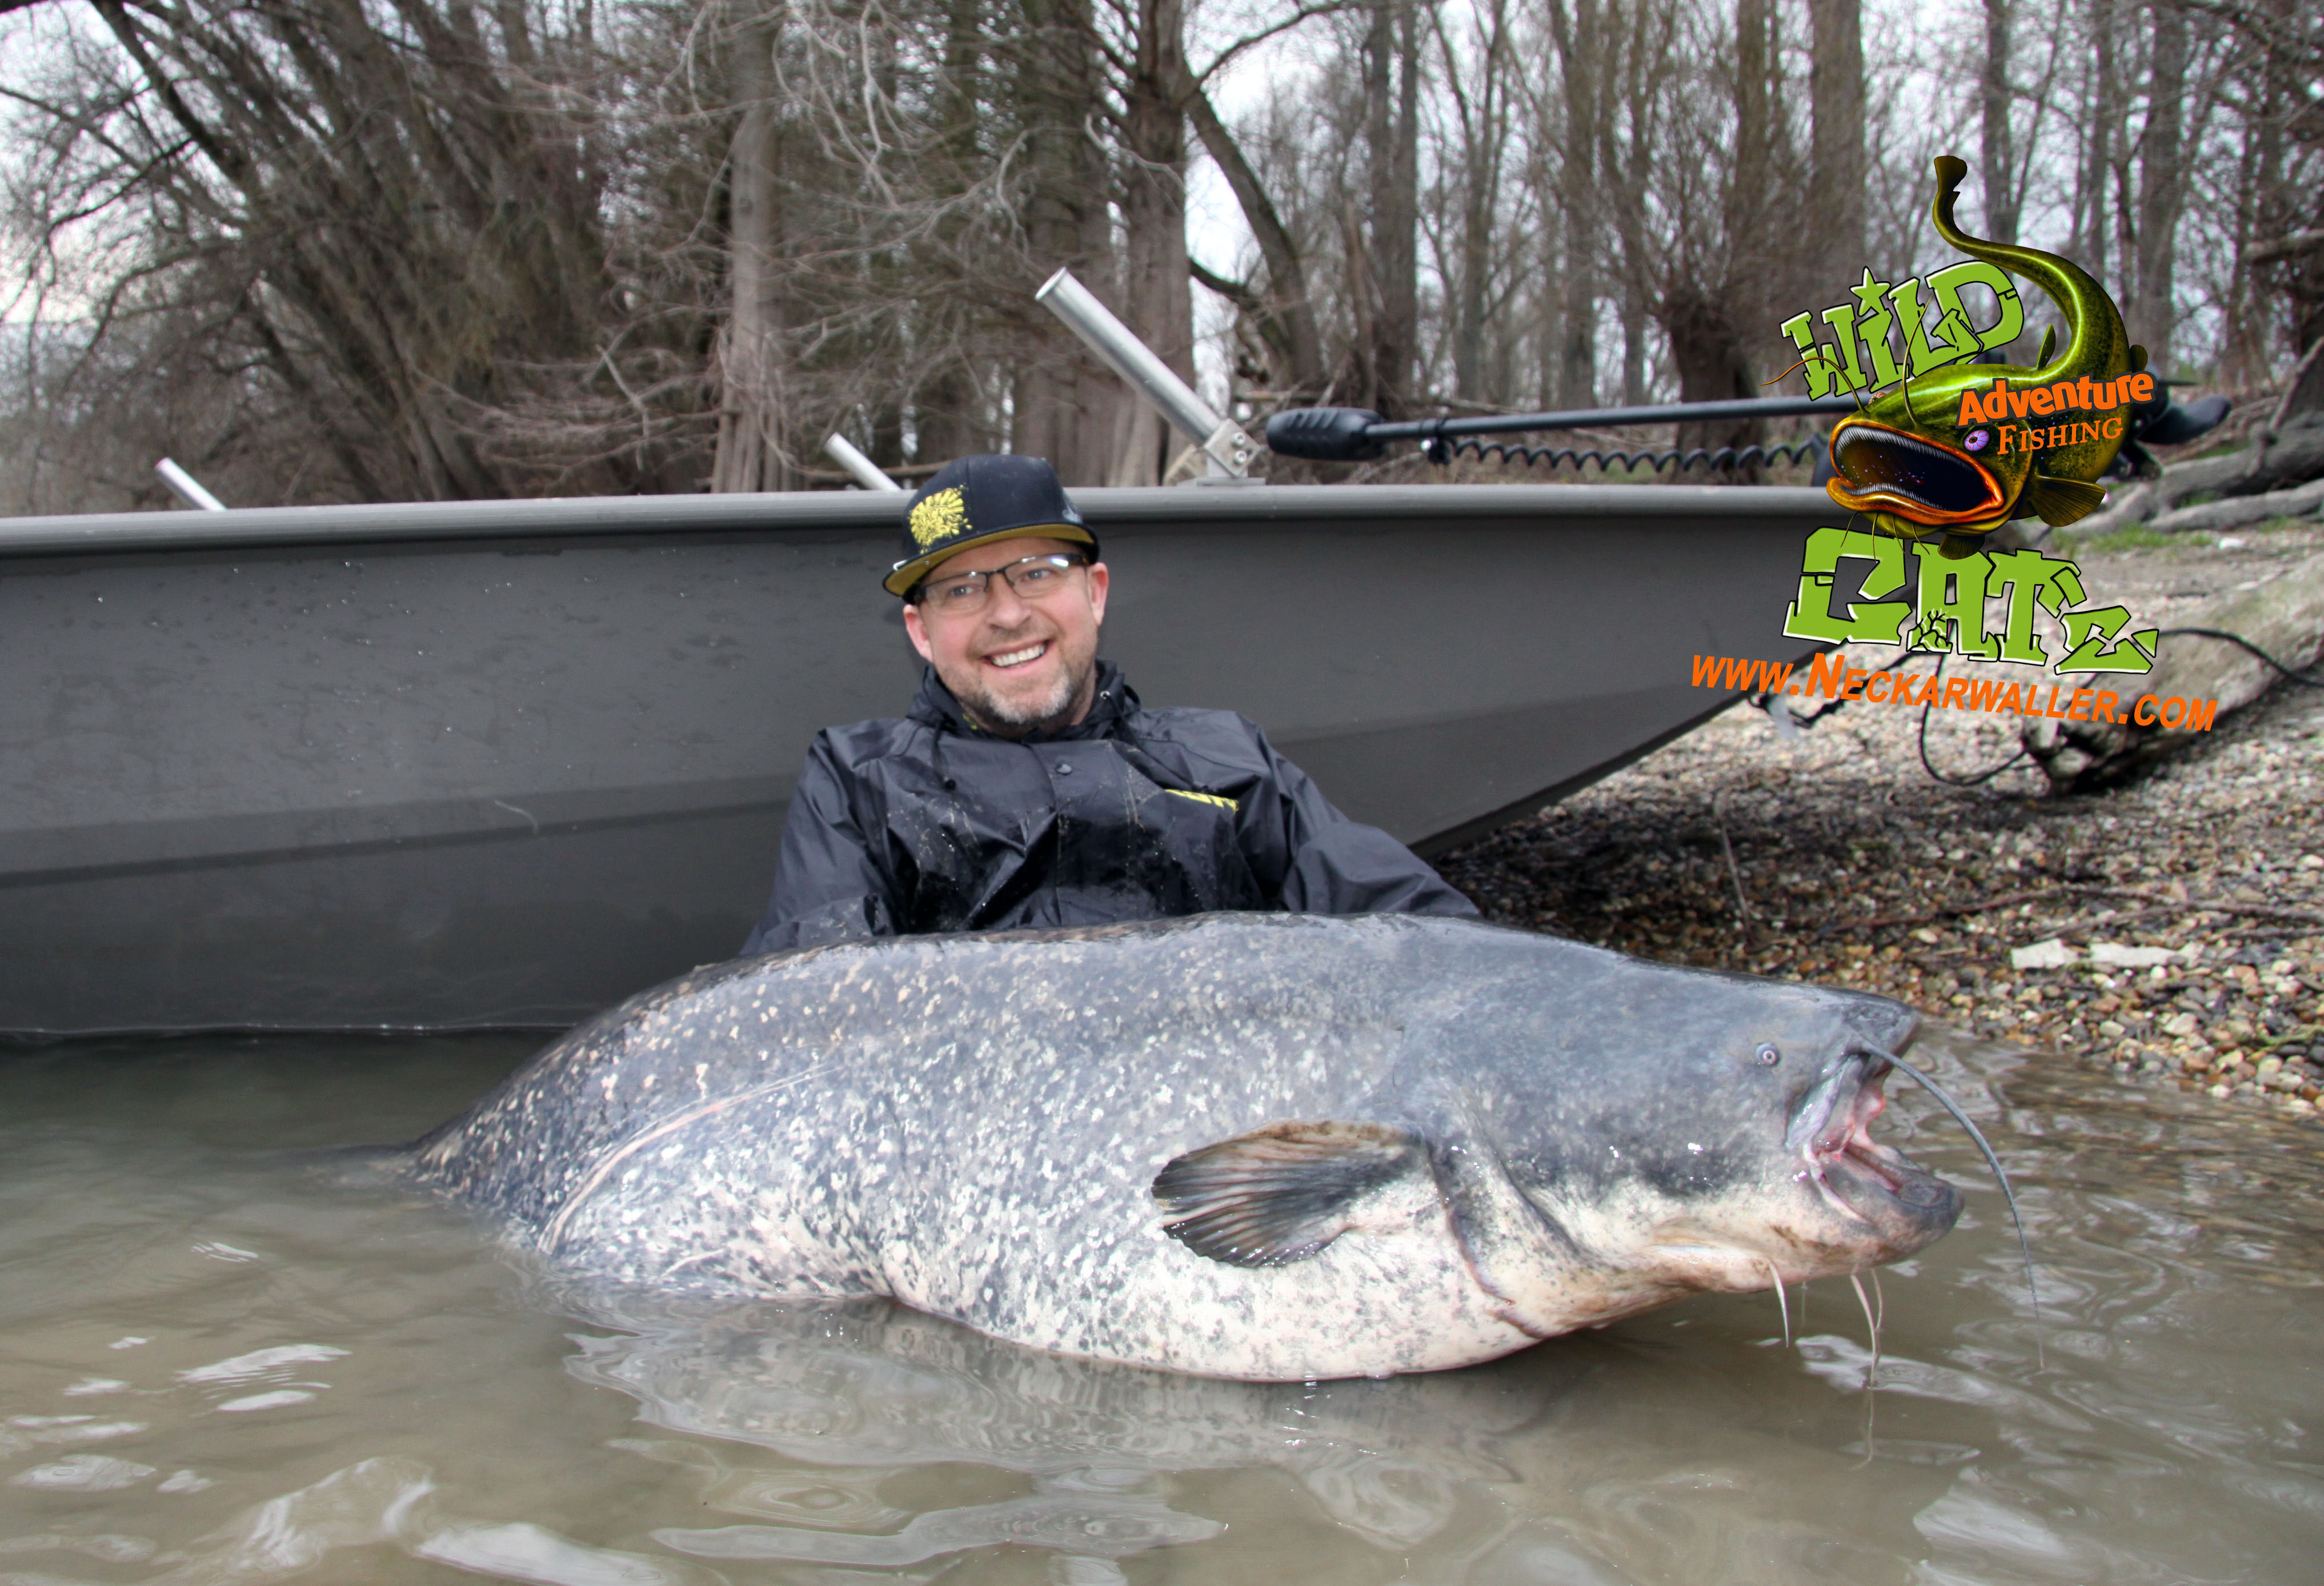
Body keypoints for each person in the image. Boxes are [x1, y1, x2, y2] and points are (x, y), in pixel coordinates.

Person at [742, 453, 1475, 954]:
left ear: (1093, 593)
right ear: (921, 630)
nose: (1005, 614)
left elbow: (1423, 932)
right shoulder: (856, 780)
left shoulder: (1226, 761)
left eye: (1036, 572)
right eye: (961, 590)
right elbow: (812, 997)